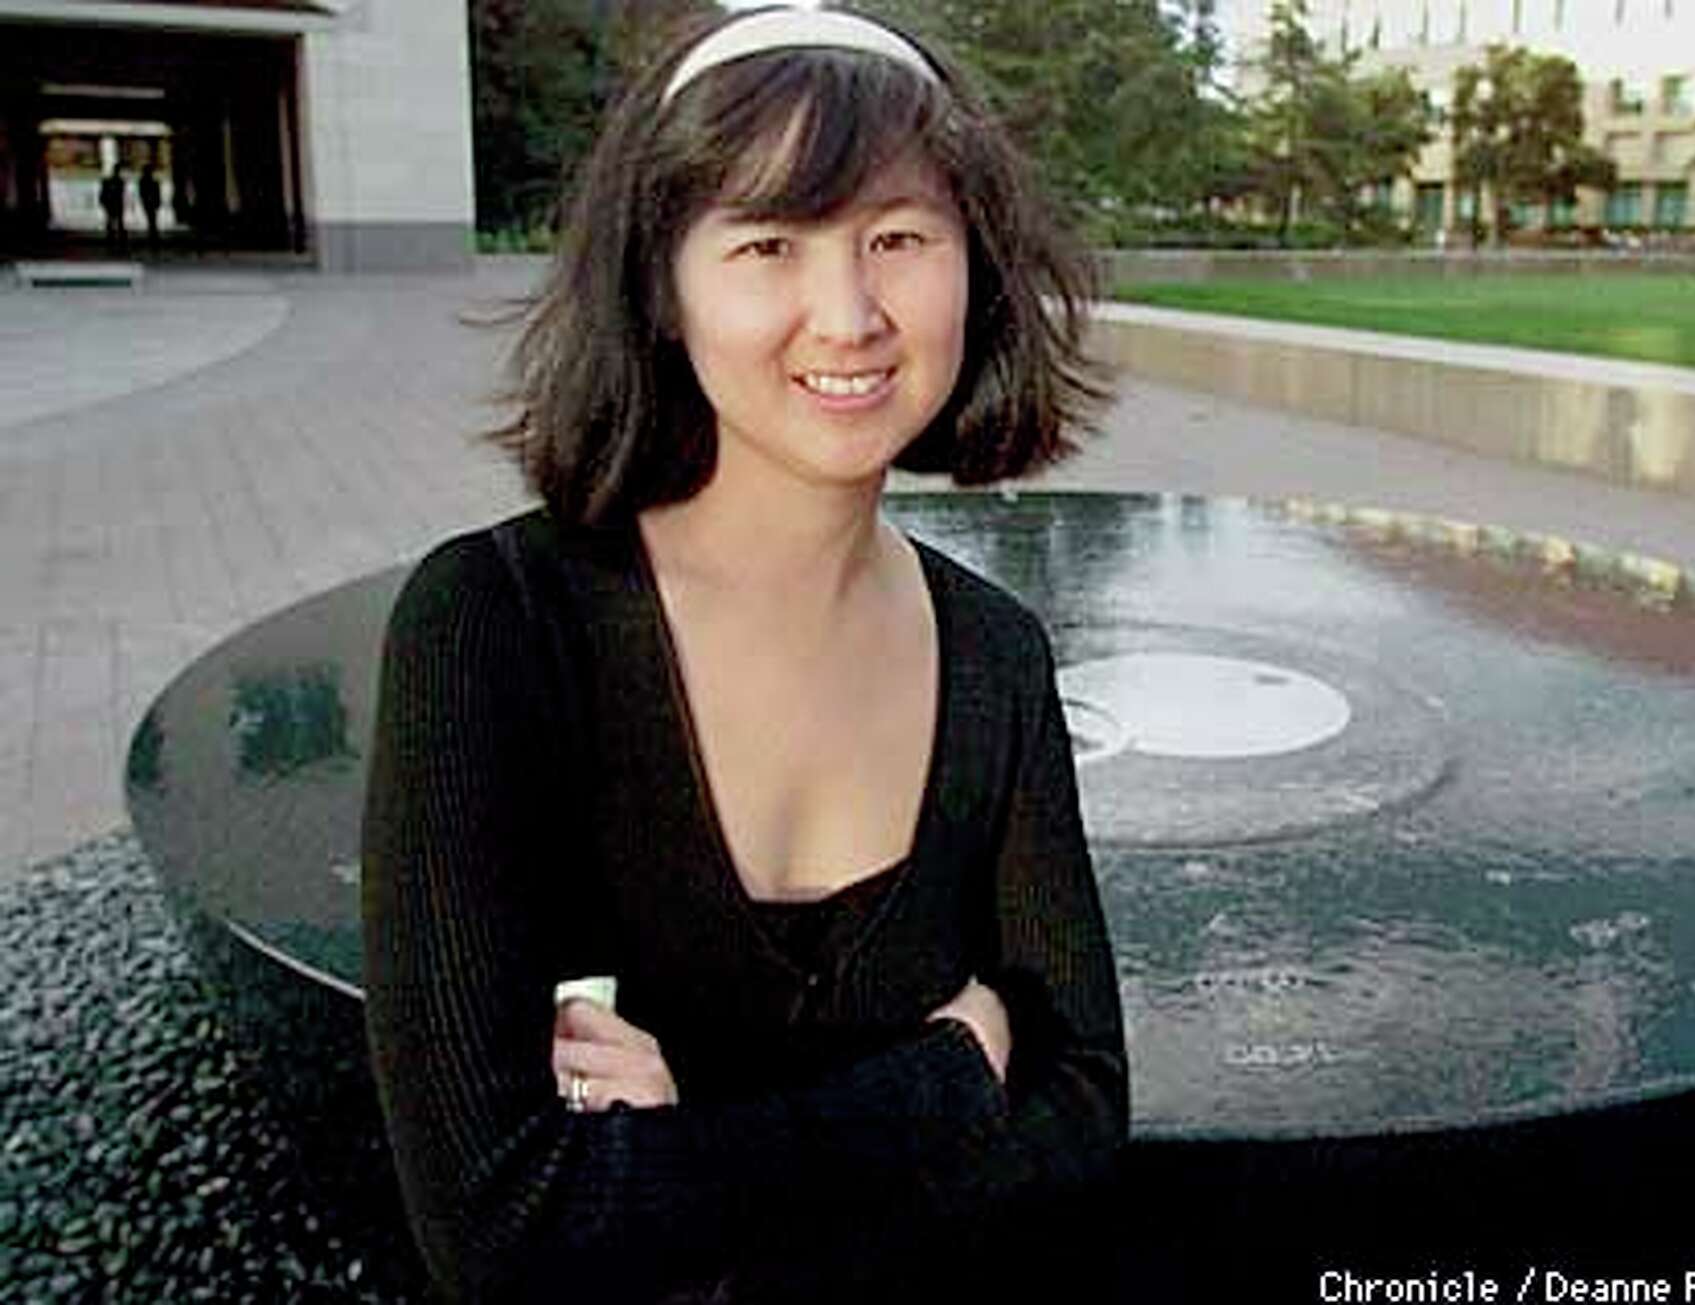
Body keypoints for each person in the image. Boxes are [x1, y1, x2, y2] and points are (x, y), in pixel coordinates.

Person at [360, 7, 1127, 1303]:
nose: (849, 315)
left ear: (974, 265)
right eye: (769, 242)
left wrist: (684, 1153)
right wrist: (943, 1080)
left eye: (897, 237)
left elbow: (1083, 1115)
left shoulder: (996, 655)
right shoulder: (494, 629)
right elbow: (501, 1231)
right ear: (662, 284)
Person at [99, 164, 127, 251]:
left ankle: (111, 241)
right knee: (118, 224)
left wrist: (104, 204)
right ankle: (119, 242)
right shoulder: (120, 182)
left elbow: (103, 194)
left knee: (112, 224)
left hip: (112, 205)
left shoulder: (109, 182)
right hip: (116, 205)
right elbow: (120, 194)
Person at [138, 163, 162, 248]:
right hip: (150, 203)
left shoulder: (144, 181)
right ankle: (154, 237)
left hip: (149, 203)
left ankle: (153, 237)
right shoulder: (151, 182)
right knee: (152, 220)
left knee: (152, 220)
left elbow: (142, 193)